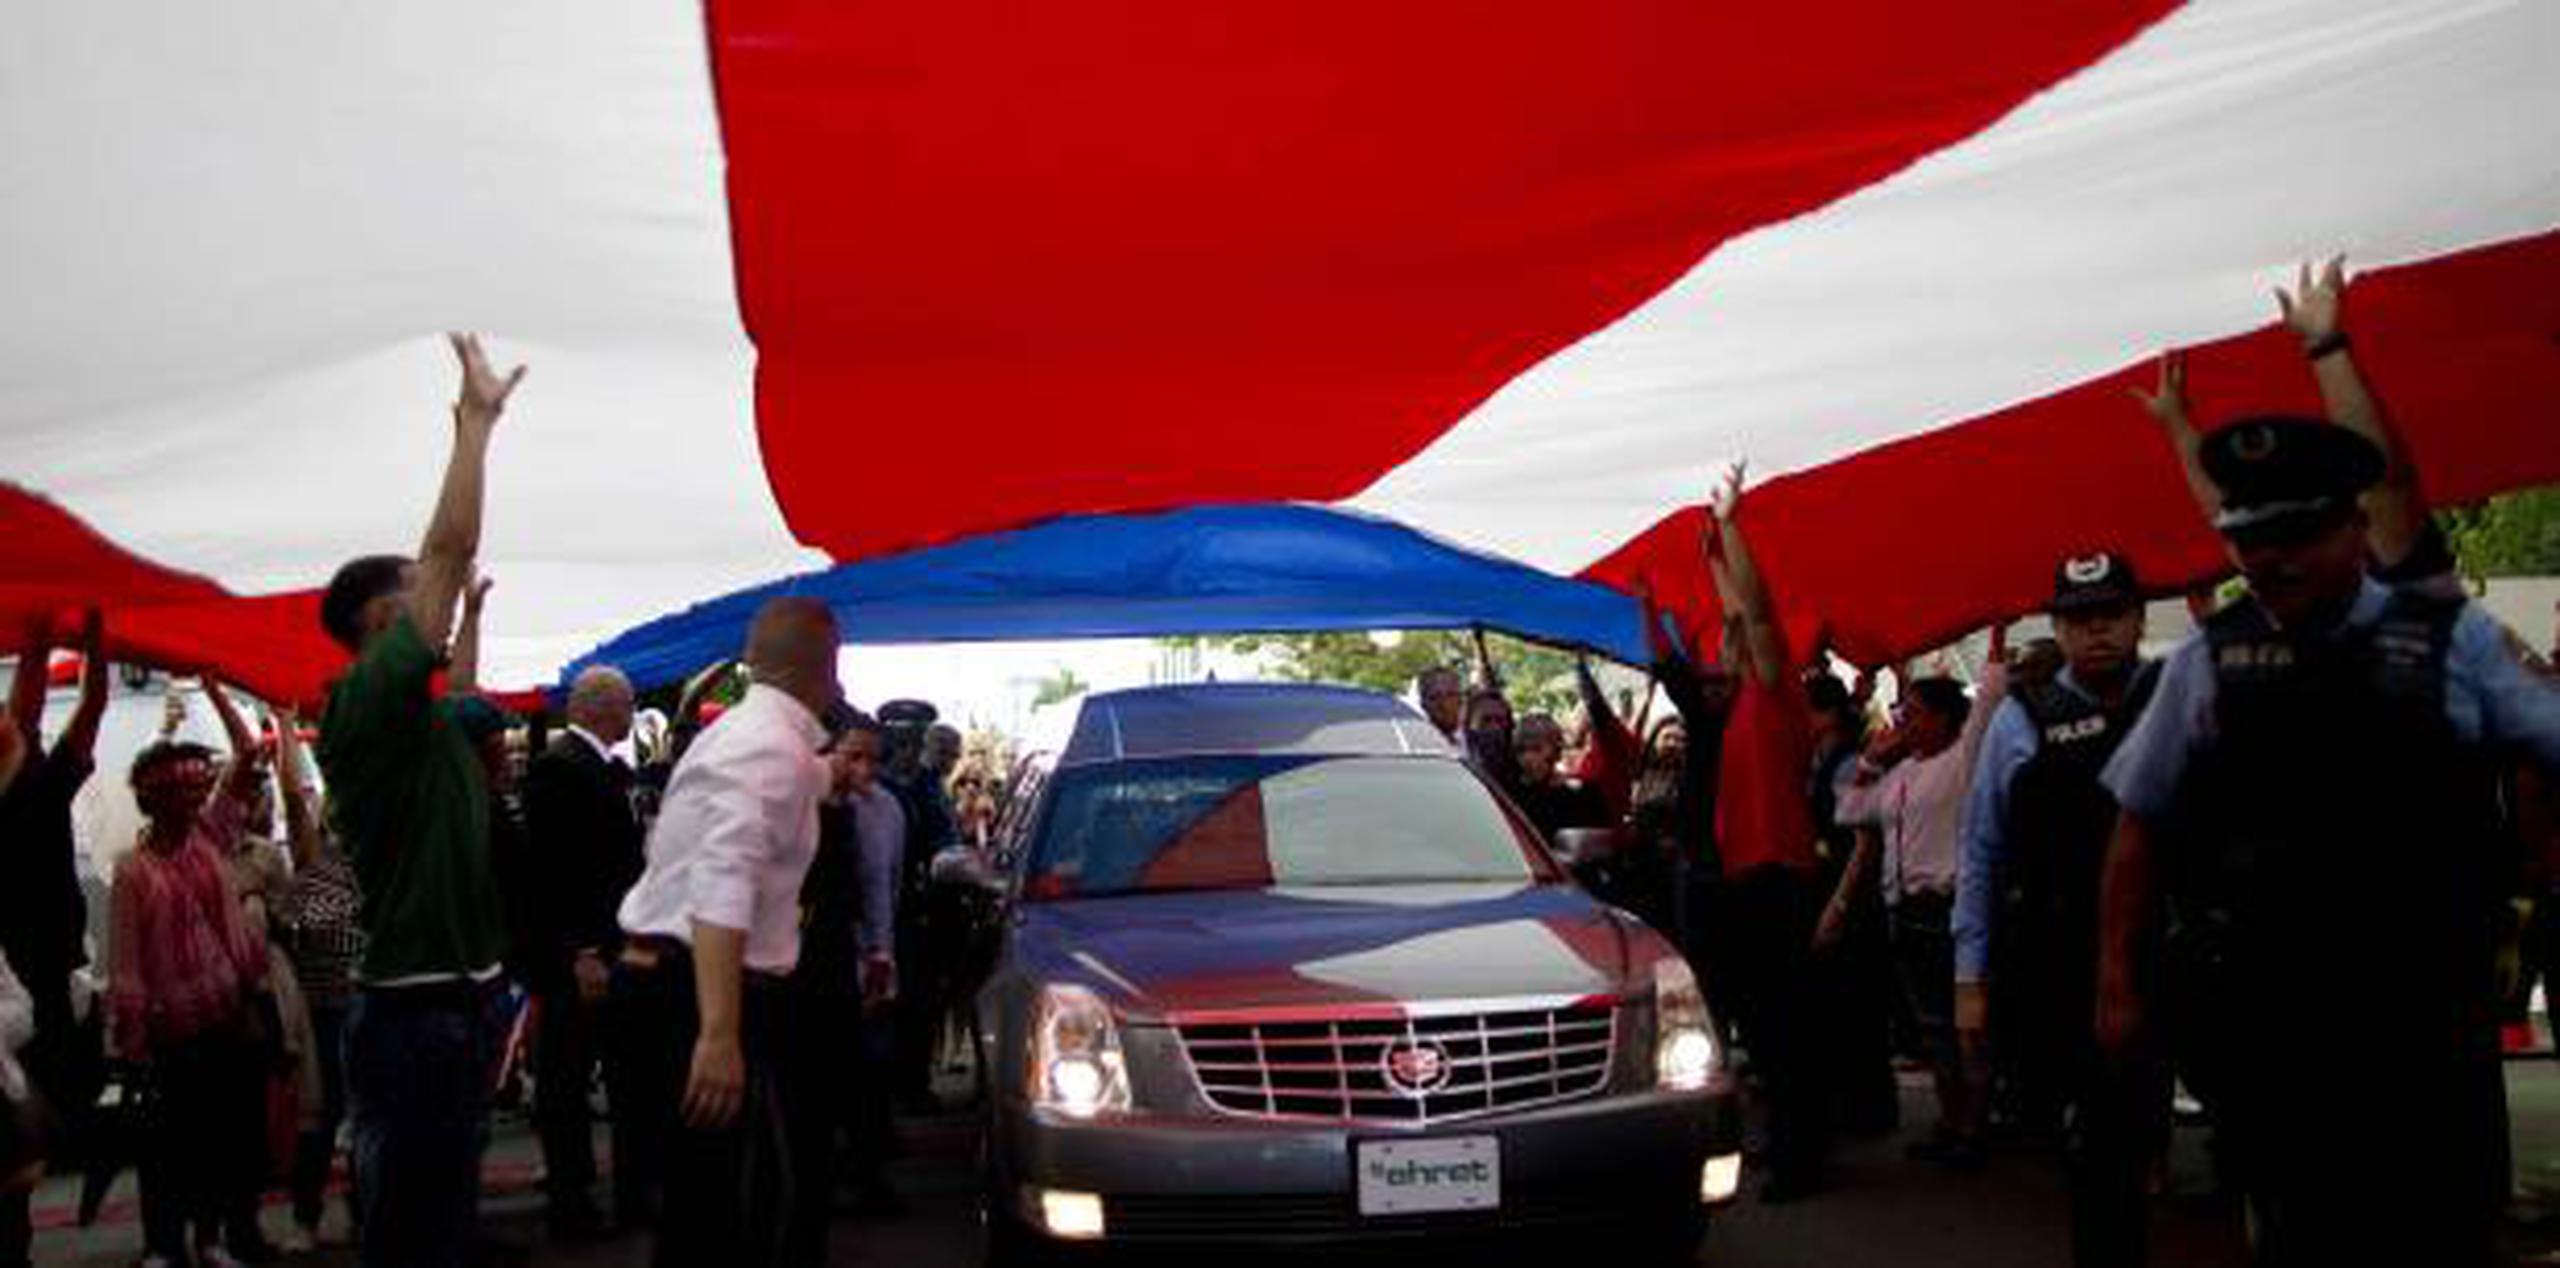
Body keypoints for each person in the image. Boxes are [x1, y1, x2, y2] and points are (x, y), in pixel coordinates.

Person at [2094, 417, 2560, 1267]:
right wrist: (2117, 980)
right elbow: (2140, 822)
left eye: (2296, 536)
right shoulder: (2210, 662)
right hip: (2282, 1013)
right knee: (2304, 1222)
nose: (2272, 561)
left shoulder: (2450, 643)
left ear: (2354, 525)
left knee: (2443, 1219)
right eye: (2251, 540)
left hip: (2426, 1010)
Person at [313, 333, 524, 1268]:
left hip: (459, 998)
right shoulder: (363, 704)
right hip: (413, 1010)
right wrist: (475, 426)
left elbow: (464, 695)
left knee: (445, 1208)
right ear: (380, 621)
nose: (432, 595)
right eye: (417, 596)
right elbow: (448, 545)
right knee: (410, 1226)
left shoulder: (418, 721)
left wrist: (471, 619)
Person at [615, 596, 841, 1268]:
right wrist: (719, 1034)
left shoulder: (744, 737)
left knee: (708, 1200)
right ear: (827, 670)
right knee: (724, 1209)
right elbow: (722, 885)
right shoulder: (770, 750)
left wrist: (832, 776)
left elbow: (779, 791)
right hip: (697, 989)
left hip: (670, 980)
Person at [1952, 553, 2156, 1267]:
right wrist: (1970, 980)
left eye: (2112, 614)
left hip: (2166, 952)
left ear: (2139, 618)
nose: (2097, 630)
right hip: (2064, 960)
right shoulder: (2021, 719)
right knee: (2093, 1148)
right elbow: (1980, 849)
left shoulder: (2173, 696)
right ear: (2058, 628)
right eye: (2079, 618)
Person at [1695, 462, 1835, 1202]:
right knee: (1768, 1027)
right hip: (1752, 879)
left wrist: (1731, 530)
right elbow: (1738, 614)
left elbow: (1755, 611)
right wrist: (1713, 561)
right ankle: (1791, 1143)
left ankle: (1800, 1157)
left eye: (1733, 642)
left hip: (1780, 877)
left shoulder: (1775, 694)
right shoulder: (1745, 702)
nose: (1723, 649)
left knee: (1785, 1029)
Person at [107, 680, 272, 1268]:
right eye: (178, 791)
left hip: (226, 1013)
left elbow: (249, 755)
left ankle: (209, 1238)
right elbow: (127, 960)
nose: (192, 799)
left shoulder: (209, 839)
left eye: (195, 789)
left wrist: (213, 686)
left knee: (221, 1137)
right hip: (171, 1030)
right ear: (152, 800)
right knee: (170, 1143)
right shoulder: (133, 870)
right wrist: (132, 1039)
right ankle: (164, 1243)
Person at [1839, 656, 2002, 1167]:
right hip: (1907, 915)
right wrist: (1871, 761)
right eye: (1901, 712)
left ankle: (1974, 1127)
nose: (1902, 722)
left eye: (1913, 713)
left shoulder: (1964, 763)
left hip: (1953, 913)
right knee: (1935, 1030)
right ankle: (1951, 1122)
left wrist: (1996, 644)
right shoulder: (1901, 773)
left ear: (1945, 720)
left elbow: (1988, 703)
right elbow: (1848, 810)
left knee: (1968, 1027)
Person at [519, 665, 643, 1237]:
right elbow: (554, 872)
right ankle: (571, 1200)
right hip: (585, 955)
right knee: (569, 1078)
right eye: (627, 703)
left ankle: (606, 1192)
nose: (631, 713)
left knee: (608, 1073)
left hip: (608, 947)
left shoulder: (591, 767)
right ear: (601, 707)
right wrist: (583, 949)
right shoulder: (561, 768)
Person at [0, 612, 107, 1268]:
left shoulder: (47, 782)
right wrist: (64, 638)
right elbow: (71, 707)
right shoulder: (37, 788)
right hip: (23, 986)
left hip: (38, 984)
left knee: (23, 1140)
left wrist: (61, 639)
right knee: (20, 1140)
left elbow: (82, 708)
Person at [781, 714, 902, 1266]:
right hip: (809, 965)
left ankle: (866, 1173)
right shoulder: (802, 805)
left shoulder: (886, 810)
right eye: (853, 756)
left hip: (865, 958)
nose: (863, 770)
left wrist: (882, 955)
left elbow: (885, 888)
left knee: (868, 1075)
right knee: (816, 1079)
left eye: (873, 759)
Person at [272, 709, 361, 1254]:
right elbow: (291, 792)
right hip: (322, 1009)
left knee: (364, 1114)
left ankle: (364, 1210)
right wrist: (283, 724)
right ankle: (306, 1218)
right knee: (322, 1118)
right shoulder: (313, 855)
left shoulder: (376, 861)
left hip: (364, 1001)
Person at [1413, 666, 1466, 744]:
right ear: (1423, 704)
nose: (1445, 704)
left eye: (1451, 695)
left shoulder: (1480, 742)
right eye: (1436, 697)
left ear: (1461, 700)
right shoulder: (1416, 745)